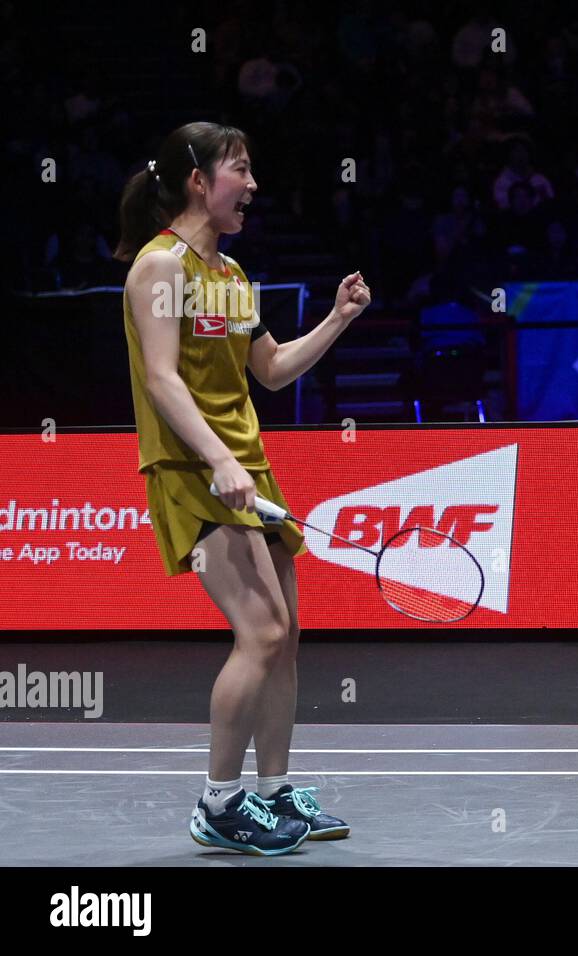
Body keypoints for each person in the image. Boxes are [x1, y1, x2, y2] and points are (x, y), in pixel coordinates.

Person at [115, 121, 371, 855]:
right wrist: (217, 461)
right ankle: (219, 802)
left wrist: (336, 320)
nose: (254, 186)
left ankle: (274, 790)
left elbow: (272, 369)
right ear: (199, 181)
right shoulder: (161, 267)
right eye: (241, 170)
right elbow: (161, 378)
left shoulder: (229, 276)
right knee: (259, 633)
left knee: (284, 637)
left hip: (245, 464)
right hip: (193, 469)